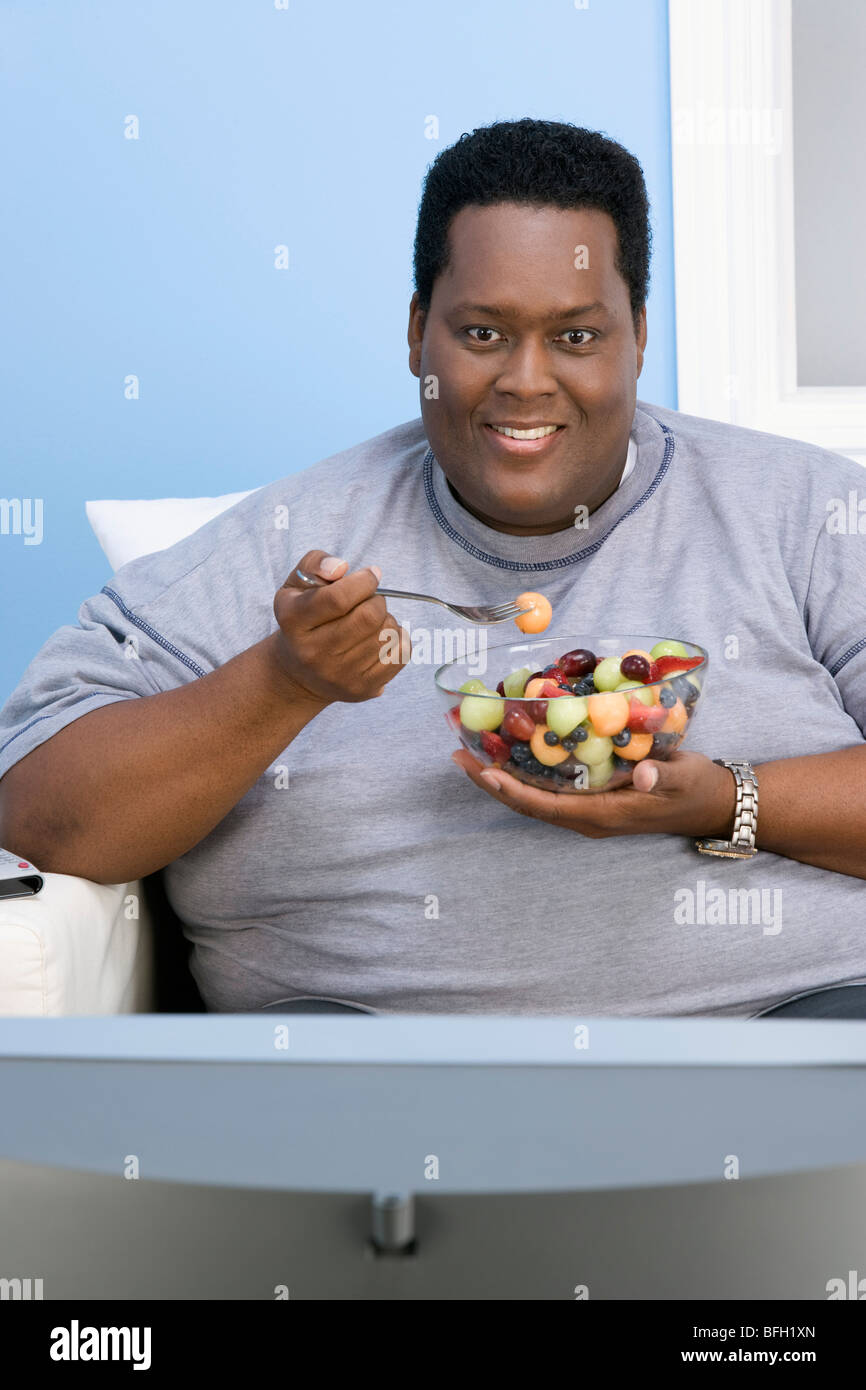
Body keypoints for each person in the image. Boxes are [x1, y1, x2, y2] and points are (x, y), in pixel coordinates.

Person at [1, 118, 864, 1018]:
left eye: (575, 337)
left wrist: (728, 800)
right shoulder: (285, 542)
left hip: (798, 1040)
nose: (527, 381)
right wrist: (283, 683)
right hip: (365, 1079)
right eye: (484, 333)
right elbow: (39, 820)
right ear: (419, 335)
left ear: (637, 336)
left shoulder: (805, 513)